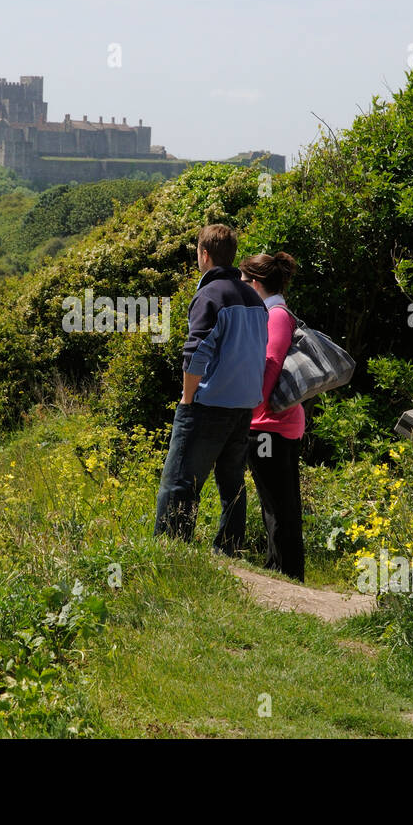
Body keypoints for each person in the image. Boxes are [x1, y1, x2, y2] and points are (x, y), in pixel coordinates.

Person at [154, 224, 268, 554]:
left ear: (205, 255)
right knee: (232, 484)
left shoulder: (209, 295)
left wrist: (187, 399)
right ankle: (229, 549)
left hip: (209, 405)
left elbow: (197, 350)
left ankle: (170, 552)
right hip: (243, 406)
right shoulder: (253, 298)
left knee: (179, 482)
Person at [240, 252, 306, 581]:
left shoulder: (276, 315)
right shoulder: (275, 311)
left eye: (243, 281)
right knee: (277, 501)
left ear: (255, 283)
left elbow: (271, 364)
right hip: (276, 424)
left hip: (269, 426)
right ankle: (280, 567)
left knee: (278, 504)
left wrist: (252, 409)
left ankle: (287, 573)